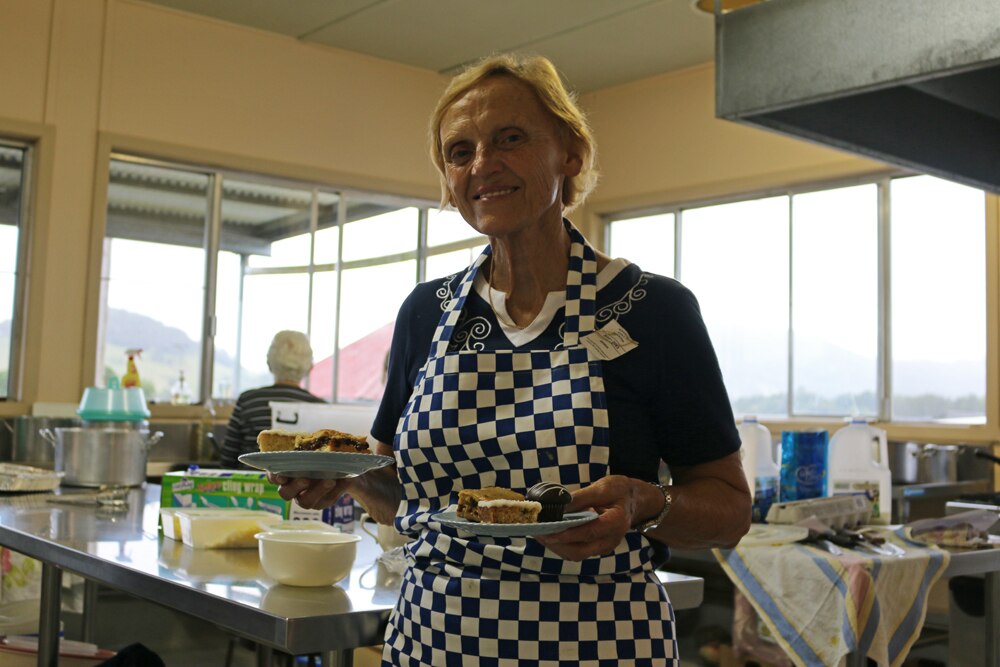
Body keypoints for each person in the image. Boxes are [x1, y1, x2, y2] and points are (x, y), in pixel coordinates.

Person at [273, 53, 751, 666]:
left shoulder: (651, 310)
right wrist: (346, 476)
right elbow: (408, 497)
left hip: (595, 643)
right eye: (459, 151)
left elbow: (730, 509)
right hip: (437, 640)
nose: (482, 165)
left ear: (570, 154)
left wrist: (645, 504)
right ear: (448, 182)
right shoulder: (426, 312)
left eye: (511, 139)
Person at [220, 330, 326, 468]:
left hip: (250, 486)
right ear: (309, 367)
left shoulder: (248, 401)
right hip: (301, 488)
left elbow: (228, 459)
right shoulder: (320, 408)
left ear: (269, 362)